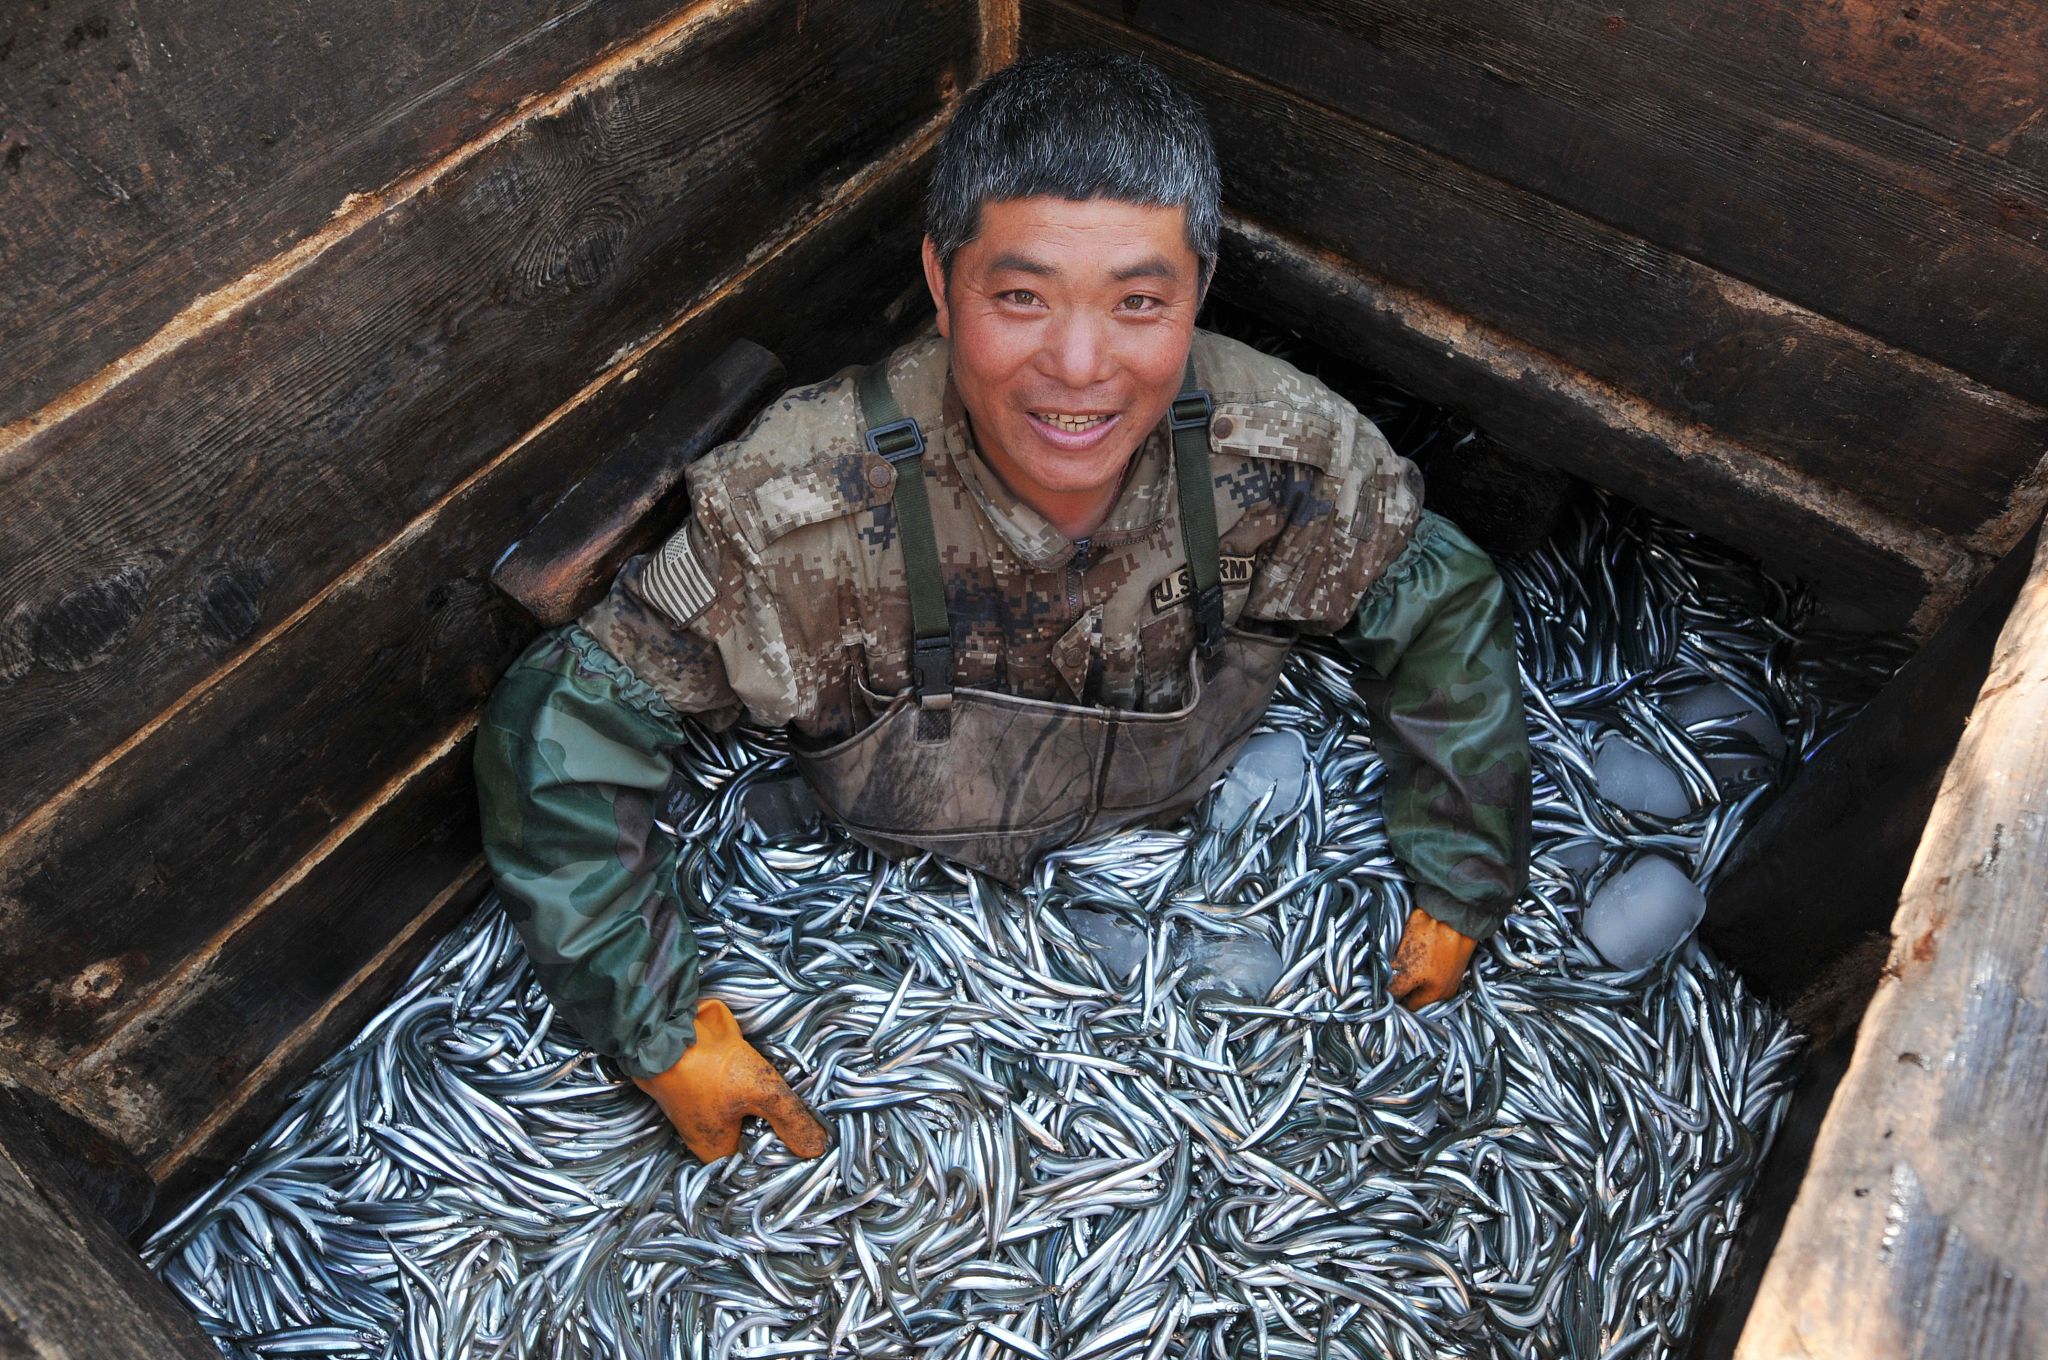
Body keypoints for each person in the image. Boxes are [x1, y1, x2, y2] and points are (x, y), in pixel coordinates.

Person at [475, 50, 1531, 1163]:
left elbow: (1437, 602)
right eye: (1020, 297)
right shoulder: (798, 506)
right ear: (941, 283)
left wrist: (1461, 871)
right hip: (891, 919)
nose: (1078, 367)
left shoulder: (1284, 449)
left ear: (1198, 290)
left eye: (1137, 302)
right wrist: (657, 1031)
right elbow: (564, 724)